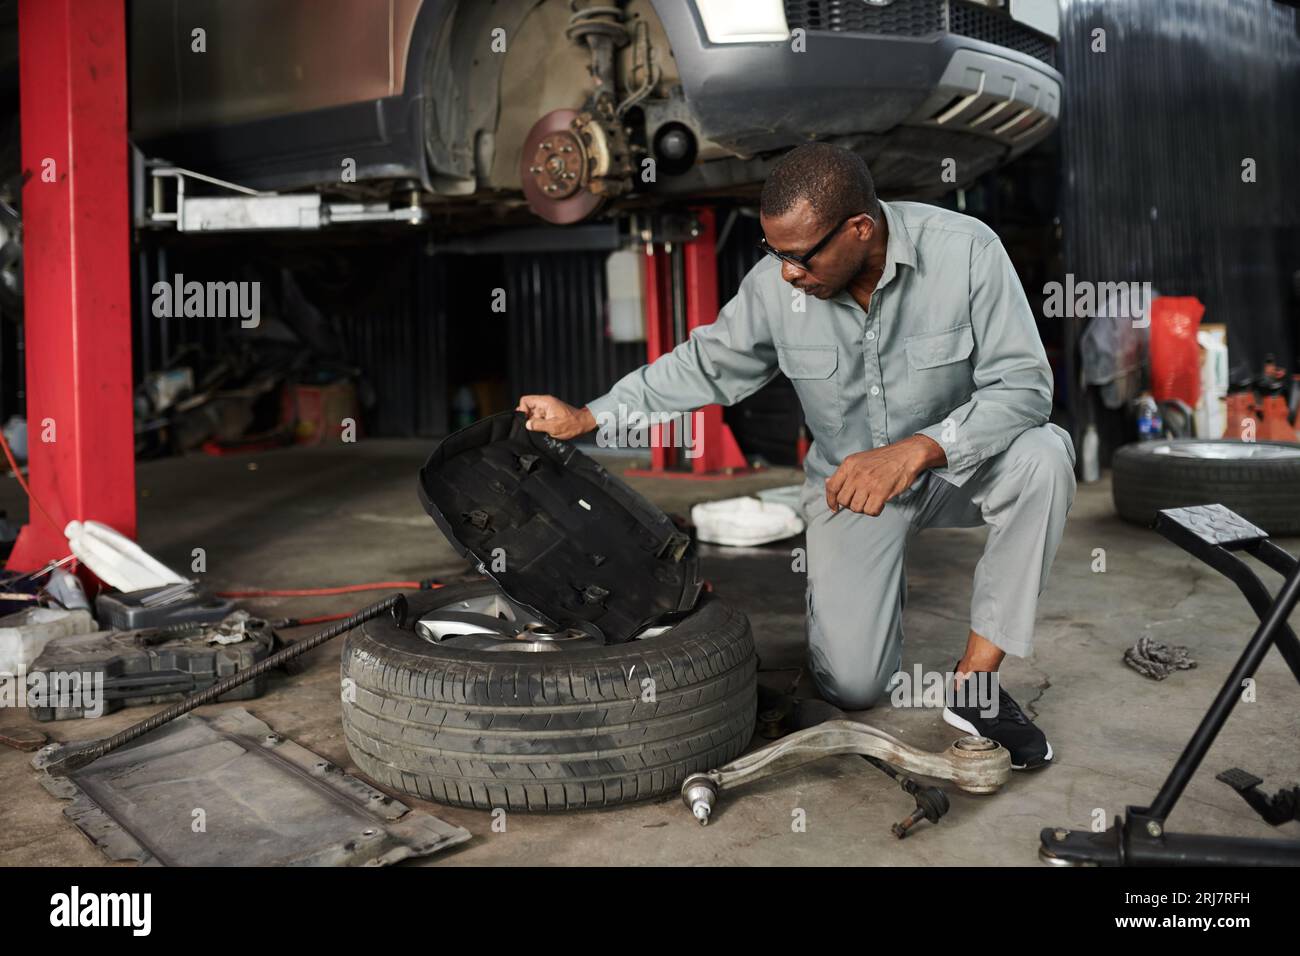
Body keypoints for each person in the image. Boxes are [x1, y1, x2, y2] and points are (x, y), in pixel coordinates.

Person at [517, 143, 1076, 769]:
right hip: (850, 488)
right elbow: (703, 367)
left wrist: (917, 450)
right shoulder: (776, 287)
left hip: (956, 468)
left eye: (799, 256)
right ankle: (867, 601)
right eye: (774, 253)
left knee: (1045, 454)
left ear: (860, 230)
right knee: (854, 689)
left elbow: (1025, 387)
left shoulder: (967, 252)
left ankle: (975, 688)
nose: (787, 271)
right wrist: (591, 416)